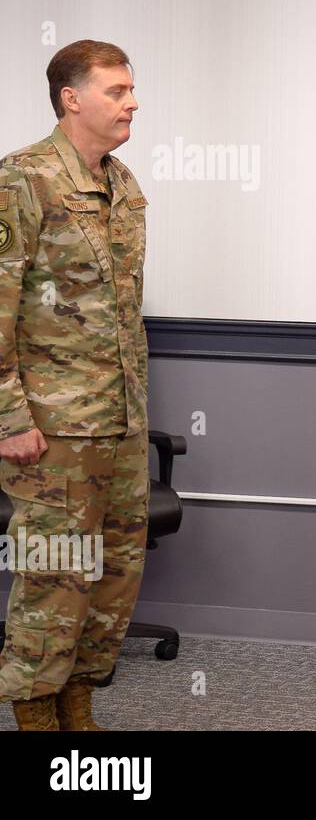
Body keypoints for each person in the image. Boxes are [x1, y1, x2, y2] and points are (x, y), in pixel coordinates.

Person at [0, 40, 149, 730]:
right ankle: (34, 711)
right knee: (55, 573)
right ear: (72, 98)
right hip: (52, 426)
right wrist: (9, 416)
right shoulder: (24, 179)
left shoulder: (124, 186)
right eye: (116, 90)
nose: (132, 102)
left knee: (113, 572)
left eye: (130, 89)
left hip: (119, 422)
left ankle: (77, 705)